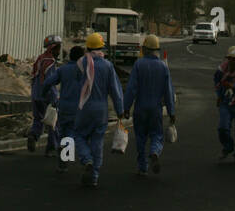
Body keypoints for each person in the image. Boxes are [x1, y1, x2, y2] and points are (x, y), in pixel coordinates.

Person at [73, 32, 124, 187]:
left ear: (87, 47)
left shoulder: (81, 63)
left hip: (84, 108)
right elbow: (115, 91)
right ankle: (94, 176)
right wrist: (120, 110)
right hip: (101, 110)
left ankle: (86, 159)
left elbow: (76, 85)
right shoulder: (108, 66)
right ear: (102, 48)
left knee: (79, 135)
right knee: (97, 141)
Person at [122, 34, 176, 177]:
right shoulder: (163, 67)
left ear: (145, 49)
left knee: (140, 137)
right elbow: (168, 92)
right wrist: (171, 111)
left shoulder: (138, 65)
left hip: (140, 108)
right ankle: (154, 152)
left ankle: (142, 167)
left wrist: (126, 108)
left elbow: (131, 89)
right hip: (156, 109)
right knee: (157, 135)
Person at [42, 43, 85, 171]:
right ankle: (65, 157)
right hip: (78, 107)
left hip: (64, 105)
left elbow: (48, 82)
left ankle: (63, 157)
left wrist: (44, 93)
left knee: (63, 130)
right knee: (72, 132)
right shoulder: (84, 70)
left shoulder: (63, 69)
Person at [27, 34, 62, 153]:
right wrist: (55, 98)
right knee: (53, 122)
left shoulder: (40, 59)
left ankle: (33, 135)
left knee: (38, 118)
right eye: (58, 48)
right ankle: (51, 147)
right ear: (54, 48)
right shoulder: (50, 62)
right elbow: (50, 82)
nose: (59, 51)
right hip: (47, 96)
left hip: (35, 94)